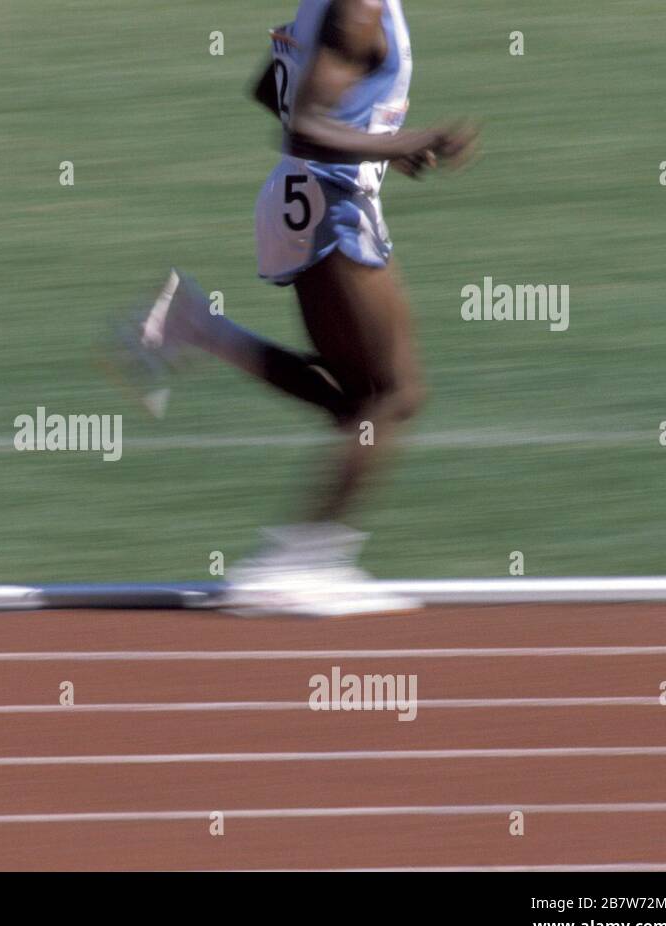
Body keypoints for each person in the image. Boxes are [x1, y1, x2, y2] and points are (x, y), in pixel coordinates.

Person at [122, 0, 478, 615]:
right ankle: (294, 564)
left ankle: (196, 326)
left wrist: (377, 142)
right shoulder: (359, 9)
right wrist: (407, 140)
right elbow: (303, 126)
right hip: (330, 204)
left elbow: (273, 87)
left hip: (308, 198)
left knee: (359, 403)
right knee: (391, 397)